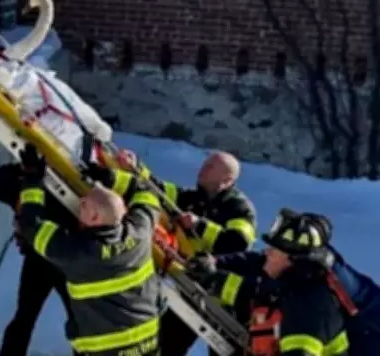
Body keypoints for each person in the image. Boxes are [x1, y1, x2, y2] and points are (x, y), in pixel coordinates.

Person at [88, 149, 256, 354]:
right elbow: (157, 191)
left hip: (221, 300)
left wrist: (200, 225)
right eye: (206, 163)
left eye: (211, 167)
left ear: (227, 180)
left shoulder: (239, 208)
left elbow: (237, 243)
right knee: (166, 345)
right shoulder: (194, 197)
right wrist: (133, 168)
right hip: (192, 289)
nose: (203, 168)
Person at [14, 143, 164, 356]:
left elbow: (30, 224)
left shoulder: (76, 251)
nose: (80, 205)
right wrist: (112, 178)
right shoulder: (139, 233)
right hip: (147, 346)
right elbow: (148, 195)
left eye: (84, 205)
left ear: (95, 218)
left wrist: (32, 178)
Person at [187, 209, 350, 356]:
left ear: (292, 260)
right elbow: (252, 264)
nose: (267, 252)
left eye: (274, 249)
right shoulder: (288, 280)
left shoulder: (308, 304)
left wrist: (217, 282)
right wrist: (213, 262)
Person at [0, 161, 80, 356]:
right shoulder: (27, 182)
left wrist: (27, 171)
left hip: (64, 262)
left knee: (78, 322)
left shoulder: (75, 183)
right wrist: (24, 167)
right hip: (49, 261)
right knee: (26, 318)